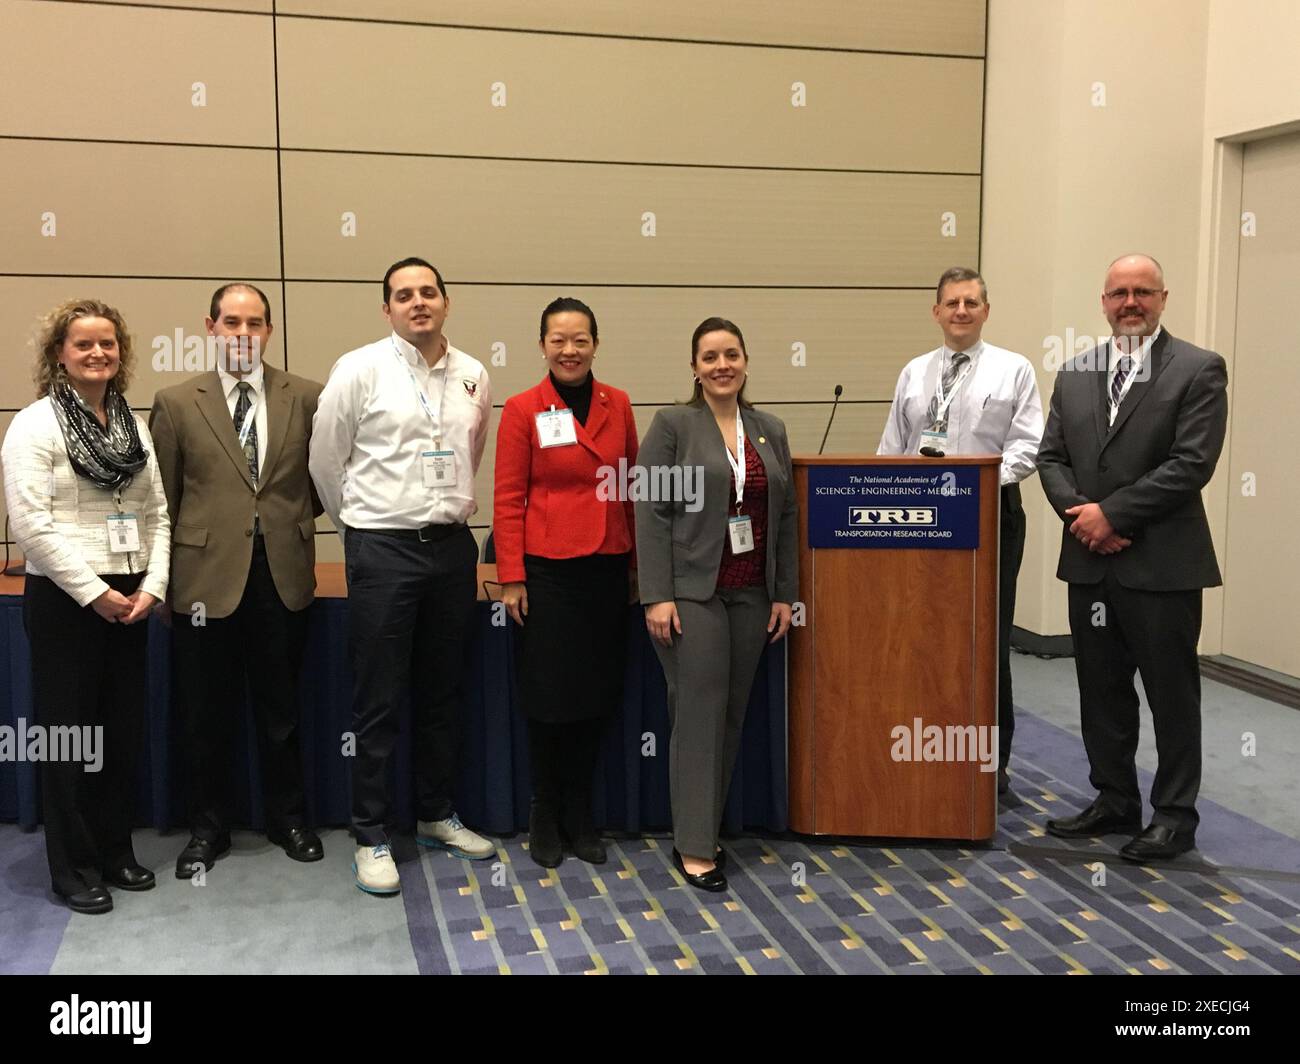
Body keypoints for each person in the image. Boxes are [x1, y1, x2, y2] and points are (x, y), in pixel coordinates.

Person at [309, 256, 495, 895]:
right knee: (379, 699)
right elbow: (325, 460)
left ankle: (436, 812)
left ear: (446, 302)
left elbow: (469, 455)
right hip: (383, 550)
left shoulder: (473, 374)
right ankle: (370, 834)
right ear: (386, 308)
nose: (418, 303)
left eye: (428, 293)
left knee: (443, 691)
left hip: (451, 549)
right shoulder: (359, 368)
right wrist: (359, 530)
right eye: (403, 295)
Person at [1037, 254, 1228, 862]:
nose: (1130, 303)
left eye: (1142, 292)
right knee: (1101, 688)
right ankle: (1114, 799)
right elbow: (1051, 459)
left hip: (1163, 566)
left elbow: (1191, 464)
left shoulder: (1198, 369)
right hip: (1092, 563)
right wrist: (1084, 518)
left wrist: (1112, 515)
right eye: (1119, 293)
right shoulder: (1074, 373)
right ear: (1103, 302)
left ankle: (1174, 815)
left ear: (1164, 298)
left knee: (1171, 693)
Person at [149, 283, 325, 879]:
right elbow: (163, 501)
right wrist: (165, 583)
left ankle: (288, 819)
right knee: (205, 714)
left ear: (269, 331)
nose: (243, 333)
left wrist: (287, 521)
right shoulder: (175, 402)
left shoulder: (306, 396)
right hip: (204, 580)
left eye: (255, 323)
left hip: (282, 575)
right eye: (232, 322)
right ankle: (207, 829)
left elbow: (323, 483)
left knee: (283, 711)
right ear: (211, 327)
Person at [2, 300, 170, 913]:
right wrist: (95, 594)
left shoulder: (132, 426)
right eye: (84, 345)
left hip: (131, 599)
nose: (98, 353)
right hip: (67, 602)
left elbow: (159, 515)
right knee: (72, 739)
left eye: (108, 343)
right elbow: (30, 524)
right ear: (59, 356)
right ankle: (71, 868)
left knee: (121, 735)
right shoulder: (35, 424)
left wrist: (152, 587)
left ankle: (114, 851)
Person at [635, 317, 797, 892]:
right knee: (699, 713)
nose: (722, 365)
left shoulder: (768, 428)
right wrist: (655, 594)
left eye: (731, 354)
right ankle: (695, 846)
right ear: (695, 367)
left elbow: (784, 516)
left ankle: (704, 827)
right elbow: (650, 511)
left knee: (731, 716)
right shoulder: (674, 425)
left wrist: (785, 594)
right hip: (692, 593)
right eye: (710, 357)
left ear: (746, 361)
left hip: (752, 594)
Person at [877, 267, 1044, 795]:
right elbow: (892, 447)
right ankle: (921, 750)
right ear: (937, 312)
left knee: (984, 639)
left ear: (986, 310)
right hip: (918, 518)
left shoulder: (1013, 369)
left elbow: (1029, 444)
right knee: (920, 634)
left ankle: (990, 769)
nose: (961, 311)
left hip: (989, 513)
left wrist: (979, 480)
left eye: (971, 302)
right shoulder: (914, 372)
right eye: (951, 303)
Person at [493, 297, 638, 868]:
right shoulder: (523, 408)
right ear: (542, 346)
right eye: (558, 340)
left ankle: (581, 812)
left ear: (595, 344)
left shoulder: (618, 403)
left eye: (580, 340)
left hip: (606, 564)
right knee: (550, 697)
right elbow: (506, 499)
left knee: (597, 694)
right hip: (547, 571)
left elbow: (629, 488)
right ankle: (544, 810)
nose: (570, 350)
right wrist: (511, 578)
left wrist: (634, 569)